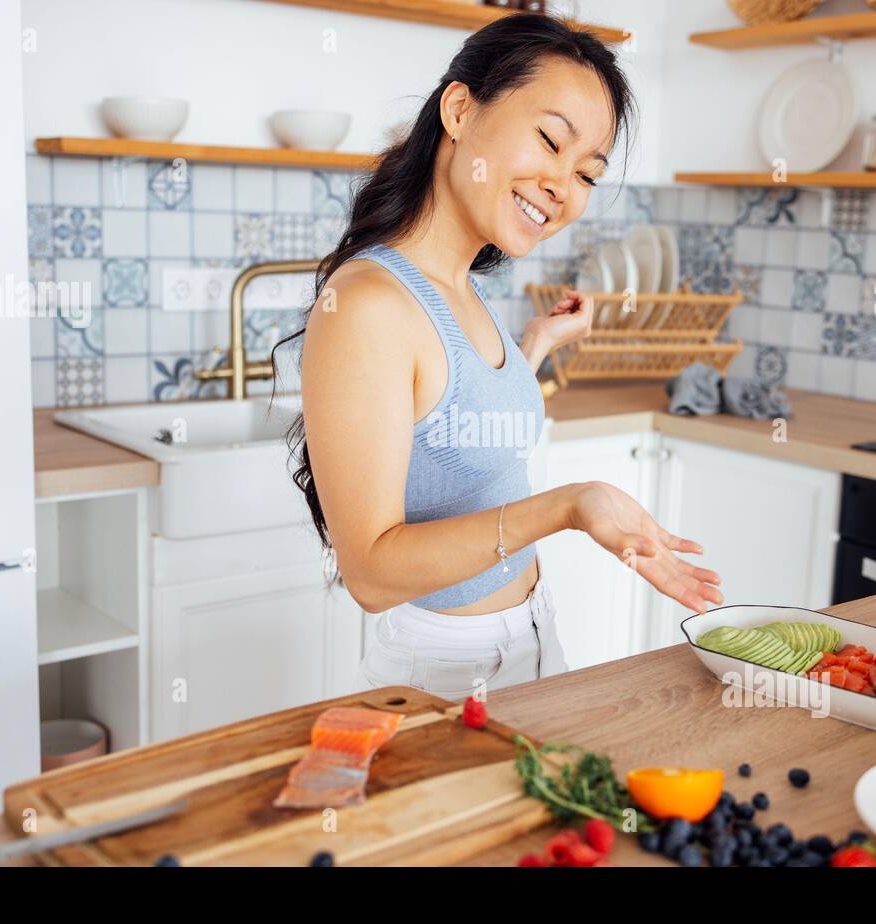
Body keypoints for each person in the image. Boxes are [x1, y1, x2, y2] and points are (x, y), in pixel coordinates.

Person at [279, 14, 723, 700]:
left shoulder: (459, 285)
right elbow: (368, 573)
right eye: (549, 140)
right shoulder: (369, 305)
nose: (562, 186)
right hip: (447, 675)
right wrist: (570, 506)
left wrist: (536, 346)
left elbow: (447, 414)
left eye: (586, 173)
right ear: (460, 109)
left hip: (532, 638)